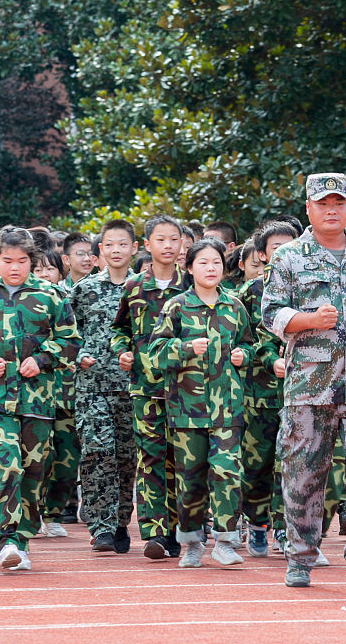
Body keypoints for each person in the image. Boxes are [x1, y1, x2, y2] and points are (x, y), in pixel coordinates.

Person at [261, 172, 346, 588]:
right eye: (323, 203)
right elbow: (271, 314)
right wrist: (308, 320)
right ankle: (300, 556)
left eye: (338, 202)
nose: (331, 209)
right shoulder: (288, 256)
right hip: (309, 387)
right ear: (309, 208)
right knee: (304, 471)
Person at [0, 226, 80, 572]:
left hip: (38, 400)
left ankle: (21, 538)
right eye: (7, 260)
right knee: (3, 466)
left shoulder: (51, 296)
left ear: (32, 261)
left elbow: (70, 340)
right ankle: (7, 538)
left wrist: (42, 359)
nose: (14, 267)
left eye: (22, 261)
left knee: (34, 470)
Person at [149, 238, 254, 568]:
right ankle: (192, 540)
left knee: (227, 473)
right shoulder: (176, 307)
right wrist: (183, 348)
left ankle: (226, 540)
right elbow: (154, 355)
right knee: (190, 478)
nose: (211, 268)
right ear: (190, 267)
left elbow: (251, 347)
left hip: (227, 408)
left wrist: (243, 356)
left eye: (217, 263)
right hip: (186, 409)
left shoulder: (235, 306)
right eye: (204, 262)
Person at [111, 214, 189, 560]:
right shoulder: (133, 287)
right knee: (151, 460)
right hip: (145, 389)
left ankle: (178, 528)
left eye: (174, 239)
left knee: (182, 461)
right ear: (147, 245)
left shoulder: (192, 286)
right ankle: (155, 532)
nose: (168, 246)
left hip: (187, 390)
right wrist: (123, 351)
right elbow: (119, 330)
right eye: (161, 240)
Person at [69, 219, 138, 554]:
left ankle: (121, 519)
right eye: (109, 244)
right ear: (99, 252)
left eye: (122, 244)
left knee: (126, 458)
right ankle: (100, 527)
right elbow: (67, 332)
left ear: (134, 248)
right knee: (97, 454)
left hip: (133, 387)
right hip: (92, 386)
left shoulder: (142, 289)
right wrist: (78, 353)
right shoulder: (83, 290)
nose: (115, 250)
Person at [235, 221, 296, 557]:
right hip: (258, 395)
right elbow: (245, 339)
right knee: (257, 467)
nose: (284, 253)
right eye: (276, 248)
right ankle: (257, 524)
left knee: (292, 466)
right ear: (262, 254)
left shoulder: (309, 290)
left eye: (290, 245)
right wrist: (267, 356)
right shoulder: (249, 293)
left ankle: (287, 530)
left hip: (300, 394)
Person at [33, 248, 79, 537]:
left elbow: (72, 340)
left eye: (49, 269)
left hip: (65, 394)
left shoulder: (63, 300)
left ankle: (54, 513)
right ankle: (31, 511)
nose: (44, 275)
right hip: (34, 394)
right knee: (36, 457)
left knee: (66, 459)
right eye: (37, 270)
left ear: (61, 272)